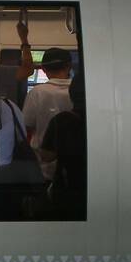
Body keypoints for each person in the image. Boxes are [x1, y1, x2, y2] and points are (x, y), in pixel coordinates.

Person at [21, 47, 75, 180]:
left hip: (43, 168)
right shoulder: (79, 92)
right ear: (69, 66)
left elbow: (26, 126)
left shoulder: (37, 92)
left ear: (44, 70)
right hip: (77, 166)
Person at [39, 73, 86, 220]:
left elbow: (47, 156)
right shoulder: (108, 119)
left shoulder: (62, 120)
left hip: (67, 187)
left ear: (71, 95)